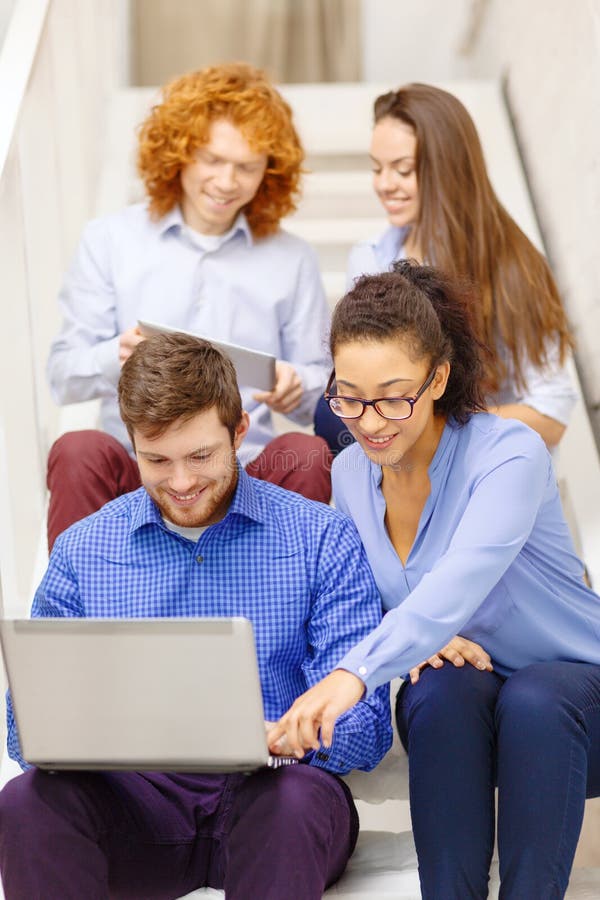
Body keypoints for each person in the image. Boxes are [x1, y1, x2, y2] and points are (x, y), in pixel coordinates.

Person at [0, 332, 392, 900]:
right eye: (156, 460)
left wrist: (301, 734)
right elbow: (21, 728)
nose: (180, 484)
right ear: (132, 443)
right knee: (26, 802)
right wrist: (80, 731)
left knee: (293, 801)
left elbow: (370, 728)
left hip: (275, 792)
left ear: (238, 433)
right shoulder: (84, 550)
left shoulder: (320, 538)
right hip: (137, 806)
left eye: (200, 456)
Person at [269, 262, 600, 899]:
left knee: (535, 696)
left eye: (394, 395)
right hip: (474, 699)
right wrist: (425, 633)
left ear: (439, 378)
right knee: (439, 690)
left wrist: (359, 668)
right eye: (350, 396)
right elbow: (374, 596)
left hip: (578, 699)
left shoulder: (509, 453)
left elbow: (464, 574)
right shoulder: (347, 477)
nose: (368, 420)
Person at [46, 62, 332, 551]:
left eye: (247, 167)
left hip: (240, 471)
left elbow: (324, 396)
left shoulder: (292, 259)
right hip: (140, 464)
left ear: (269, 171)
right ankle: (74, 621)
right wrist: (115, 355)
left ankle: (283, 619)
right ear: (178, 153)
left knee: (307, 453)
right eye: (212, 159)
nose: (226, 182)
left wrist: (296, 386)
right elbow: (62, 375)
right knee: (78, 450)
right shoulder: (110, 240)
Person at [315, 81, 576, 454]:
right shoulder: (369, 258)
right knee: (327, 418)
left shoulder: (513, 264)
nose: (384, 184)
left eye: (403, 170)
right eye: (377, 169)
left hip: (477, 456)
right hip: (398, 458)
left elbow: (550, 414)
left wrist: (445, 424)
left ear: (448, 170)